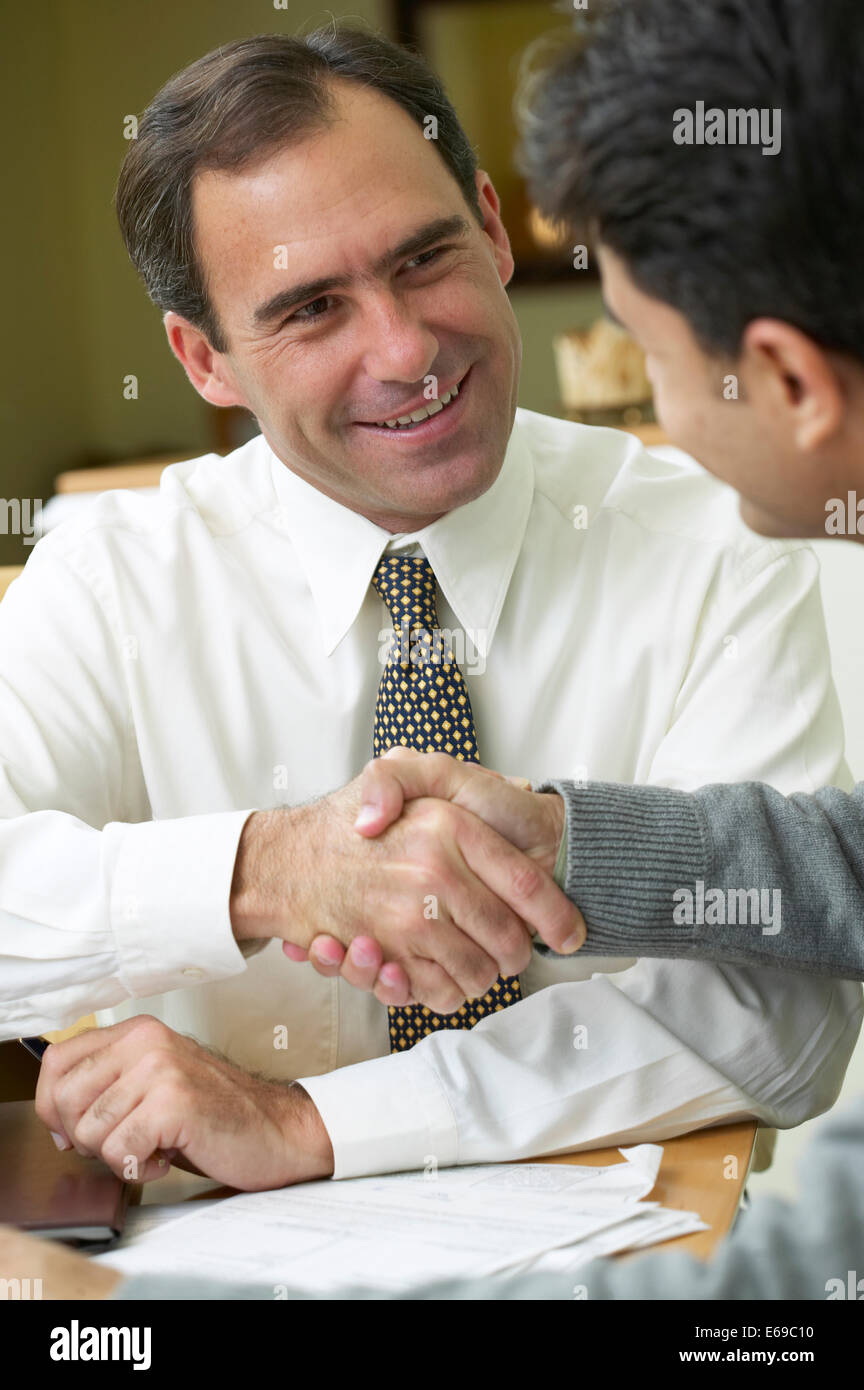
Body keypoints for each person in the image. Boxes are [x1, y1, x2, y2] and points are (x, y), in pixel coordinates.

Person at [2, 26, 858, 1195]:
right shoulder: (114, 577)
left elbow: (781, 1006)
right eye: (311, 311)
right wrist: (260, 869)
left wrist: (312, 1122)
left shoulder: (720, 537)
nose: (406, 350)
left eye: (423, 260)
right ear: (203, 357)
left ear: (497, 230)